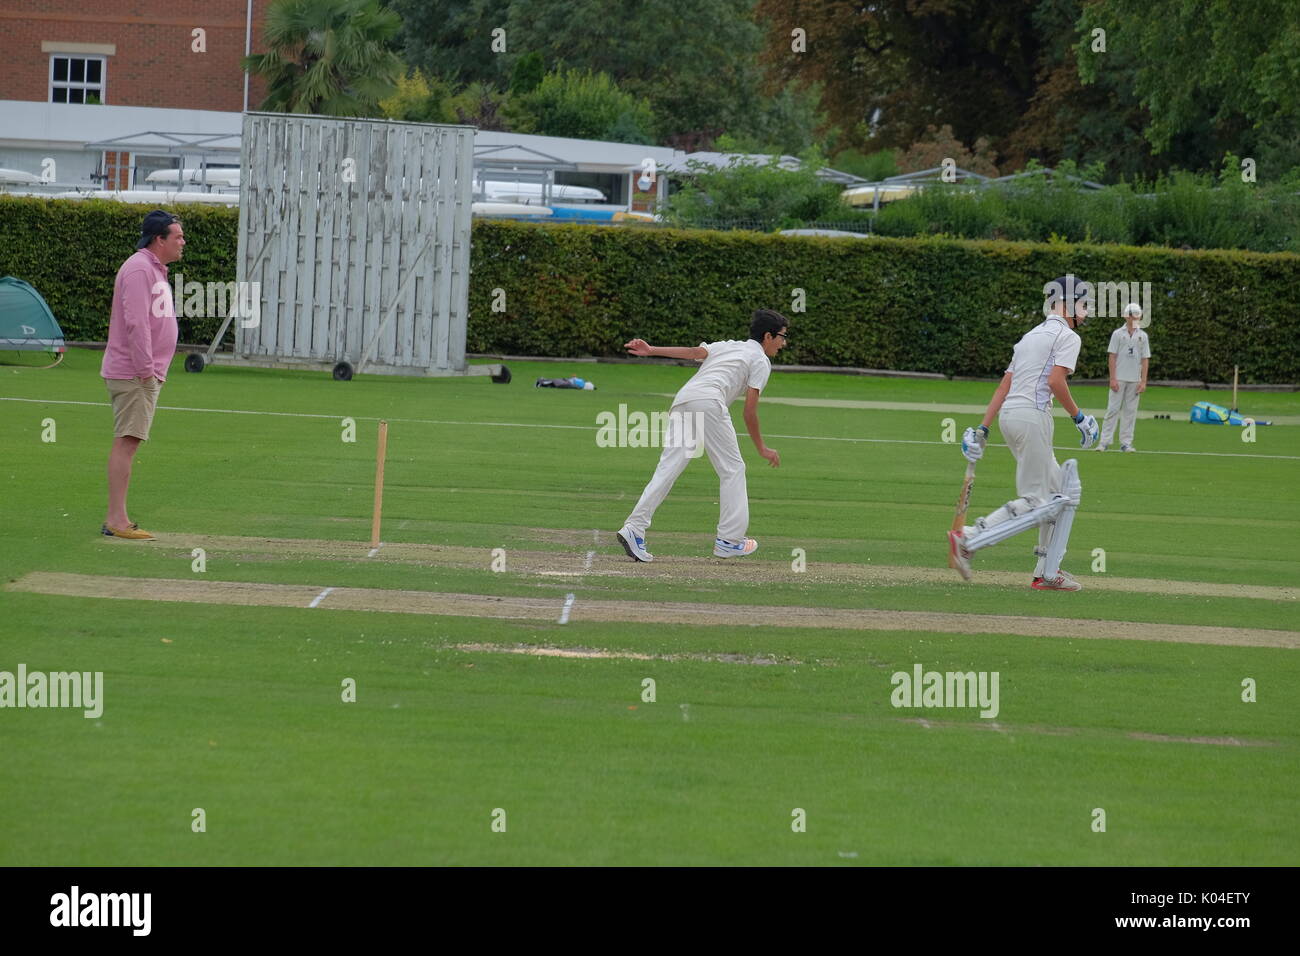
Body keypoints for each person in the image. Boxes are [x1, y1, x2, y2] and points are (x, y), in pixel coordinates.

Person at [948, 276, 1100, 590]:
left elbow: (1004, 386)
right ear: (1067, 304)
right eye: (1084, 304)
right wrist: (1080, 418)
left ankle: (1047, 570)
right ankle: (969, 540)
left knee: (1062, 493)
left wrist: (983, 429)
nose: (1087, 311)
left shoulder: (1029, 336)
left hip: (1011, 417)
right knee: (1037, 500)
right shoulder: (1067, 336)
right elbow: (1056, 383)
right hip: (1033, 417)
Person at [616, 309, 787, 562]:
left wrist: (651, 349)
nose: (784, 343)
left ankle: (634, 528)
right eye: (782, 337)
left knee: (668, 468)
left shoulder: (728, 346)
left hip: (684, 399)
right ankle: (730, 541)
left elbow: (695, 353)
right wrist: (762, 448)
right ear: (768, 336)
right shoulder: (760, 361)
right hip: (708, 402)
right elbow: (749, 411)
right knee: (733, 469)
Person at [100, 210, 184, 540]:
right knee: (127, 442)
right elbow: (136, 323)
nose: (182, 242)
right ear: (158, 239)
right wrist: (146, 371)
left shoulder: (153, 270)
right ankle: (116, 520)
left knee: (129, 442)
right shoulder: (139, 269)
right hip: (134, 374)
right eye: (177, 236)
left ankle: (116, 519)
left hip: (142, 373)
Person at [1098, 302, 1151, 452]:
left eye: (1137, 315)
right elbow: (1112, 357)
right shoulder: (1117, 334)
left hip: (1135, 380)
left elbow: (1145, 359)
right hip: (1119, 379)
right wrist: (1113, 379)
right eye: (1132, 315)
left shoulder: (1143, 336)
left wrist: (1143, 381)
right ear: (1126, 316)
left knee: (1130, 412)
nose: (1135, 318)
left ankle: (1126, 443)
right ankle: (1104, 442)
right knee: (1112, 410)